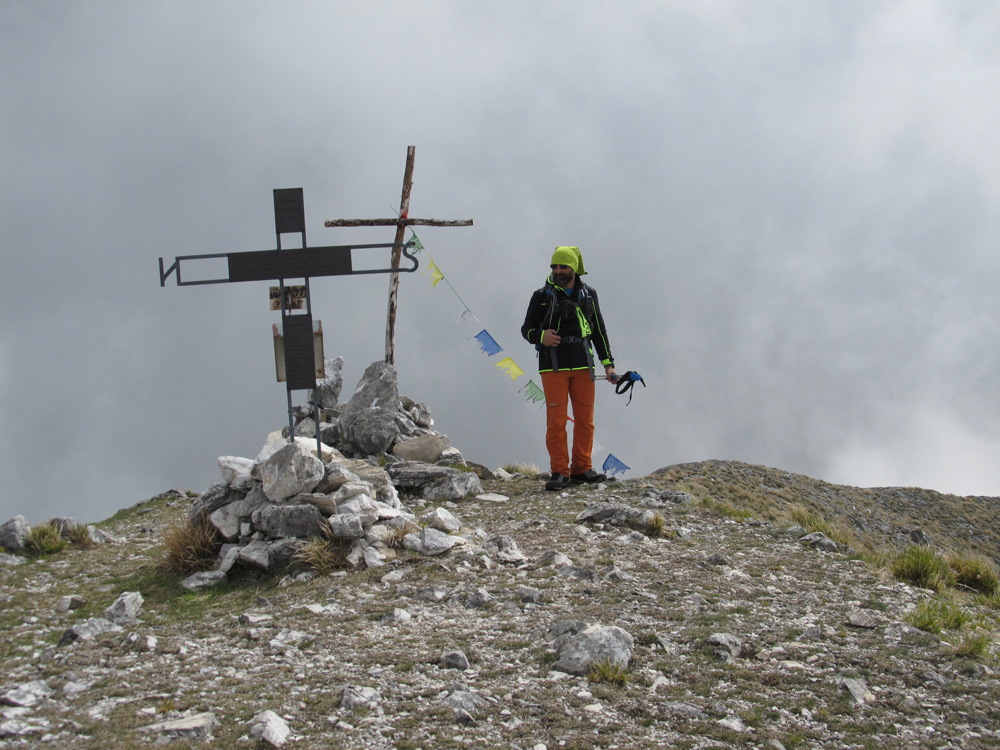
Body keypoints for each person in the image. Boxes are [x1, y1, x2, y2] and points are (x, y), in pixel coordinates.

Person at [521, 246, 618, 491]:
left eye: (563, 266)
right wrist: (541, 336)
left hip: (584, 365)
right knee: (556, 421)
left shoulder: (589, 294)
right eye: (554, 267)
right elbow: (527, 329)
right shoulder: (541, 295)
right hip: (552, 367)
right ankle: (559, 472)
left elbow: (599, 331)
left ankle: (582, 468)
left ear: (573, 268)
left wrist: (608, 365)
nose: (558, 271)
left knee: (585, 421)